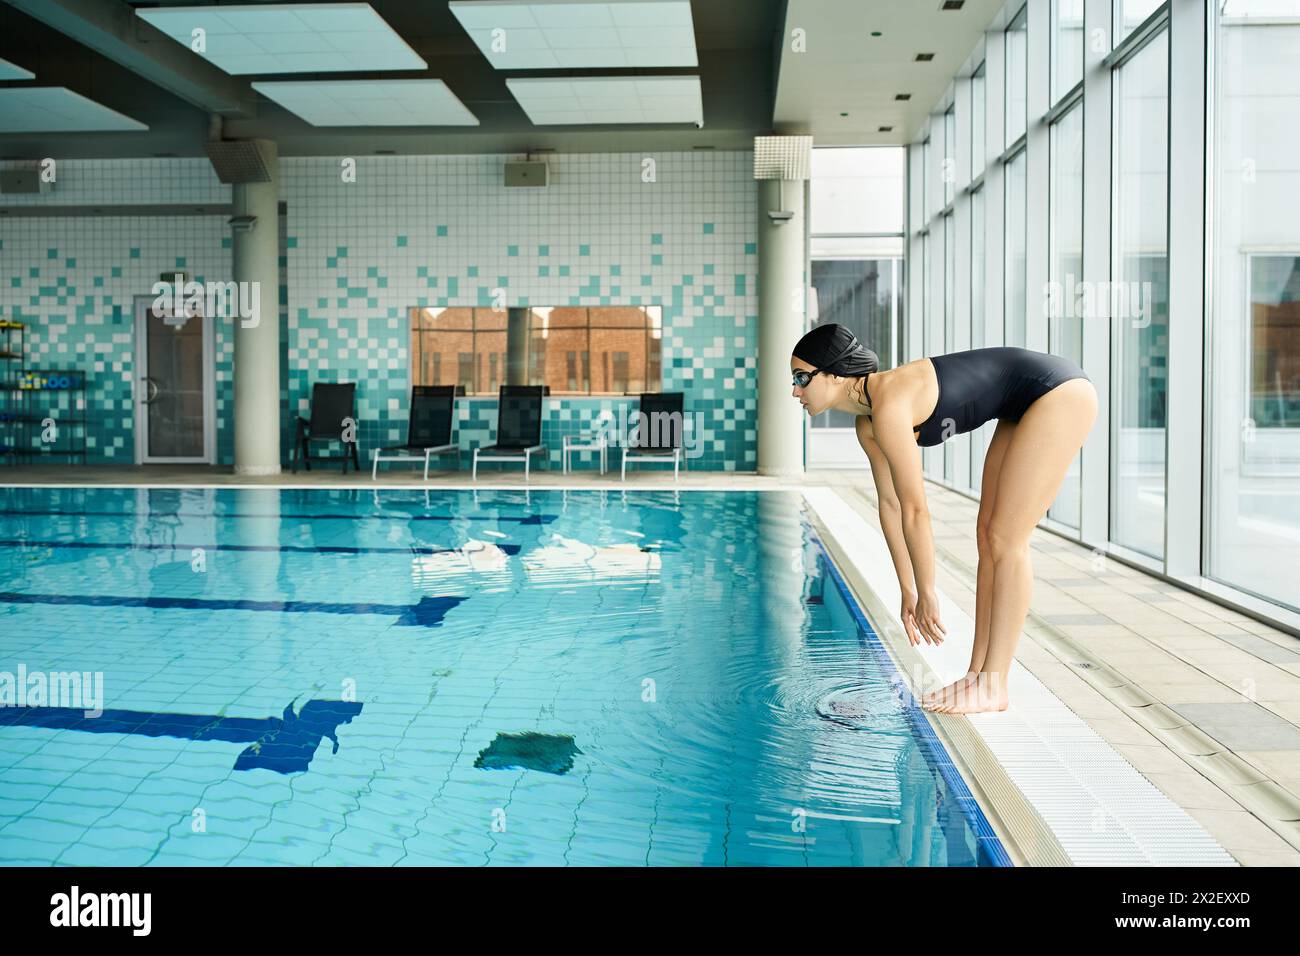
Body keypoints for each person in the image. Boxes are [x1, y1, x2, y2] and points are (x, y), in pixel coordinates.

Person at [791, 323, 1098, 714]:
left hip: (1059, 393)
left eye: (802, 378)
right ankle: (977, 677)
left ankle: (995, 685)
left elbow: (917, 509)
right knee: (988, 535)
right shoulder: (866, 423)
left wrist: (929, 590)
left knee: (1006, 540)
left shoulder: (888, 405)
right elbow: (891, 505)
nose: (795, 391)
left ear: (834, 374)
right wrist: (908, 590)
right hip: (1021, 402)